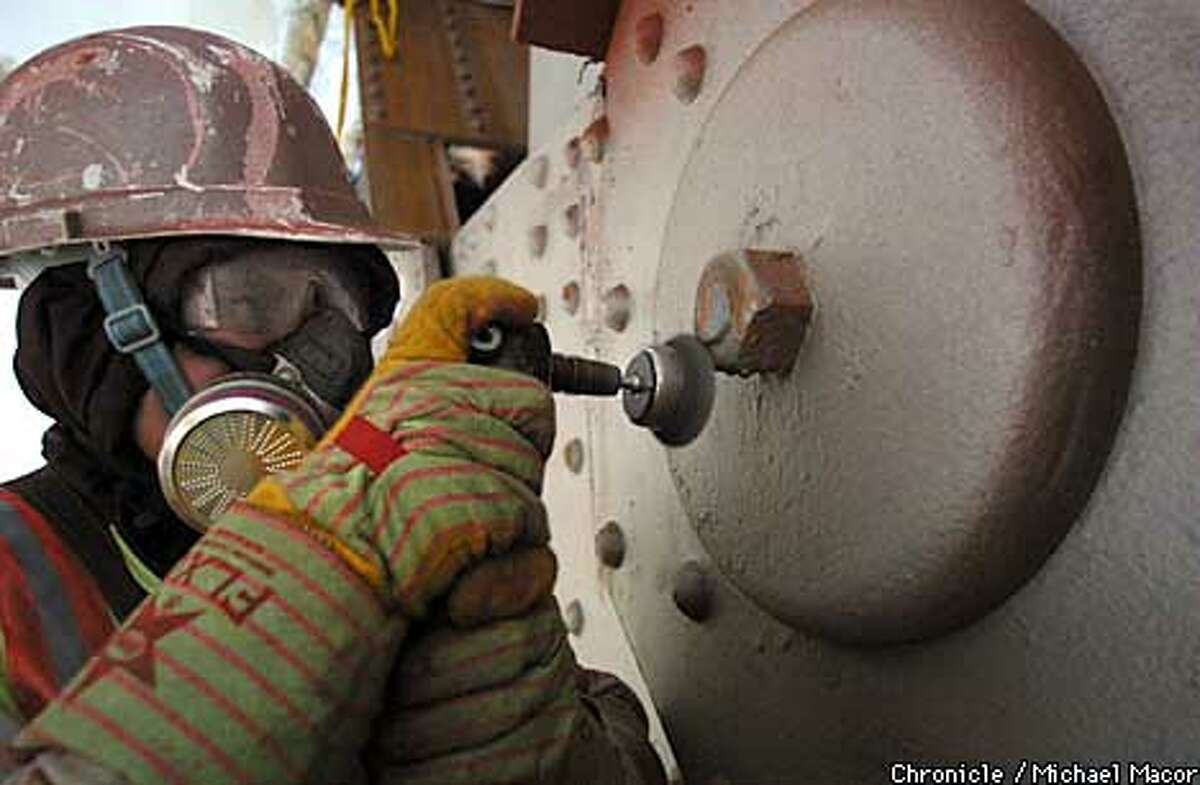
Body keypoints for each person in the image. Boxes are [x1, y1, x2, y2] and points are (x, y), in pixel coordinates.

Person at [0, 25, 666, 785]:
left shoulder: (407, 552)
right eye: (252, 298)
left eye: (340, 312)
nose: (326, 361)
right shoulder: (11, 581)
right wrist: (309, 578)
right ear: (85, 331)